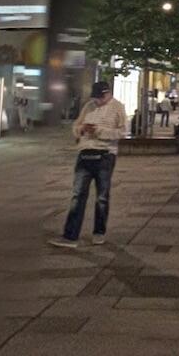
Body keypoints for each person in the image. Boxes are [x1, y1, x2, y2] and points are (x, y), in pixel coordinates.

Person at [50, 80, 127, 249]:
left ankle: (99, 232)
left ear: (108, 93)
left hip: (105, 154)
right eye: (95, 98)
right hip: (85, 153)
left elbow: (122, 132)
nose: (97, 101)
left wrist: (99, 131)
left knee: (102, 197)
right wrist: (81, 129)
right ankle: (70, 236)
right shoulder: (88, 106)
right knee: (78, 195)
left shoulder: (118, 107)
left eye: (101, 97)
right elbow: (76, 125)